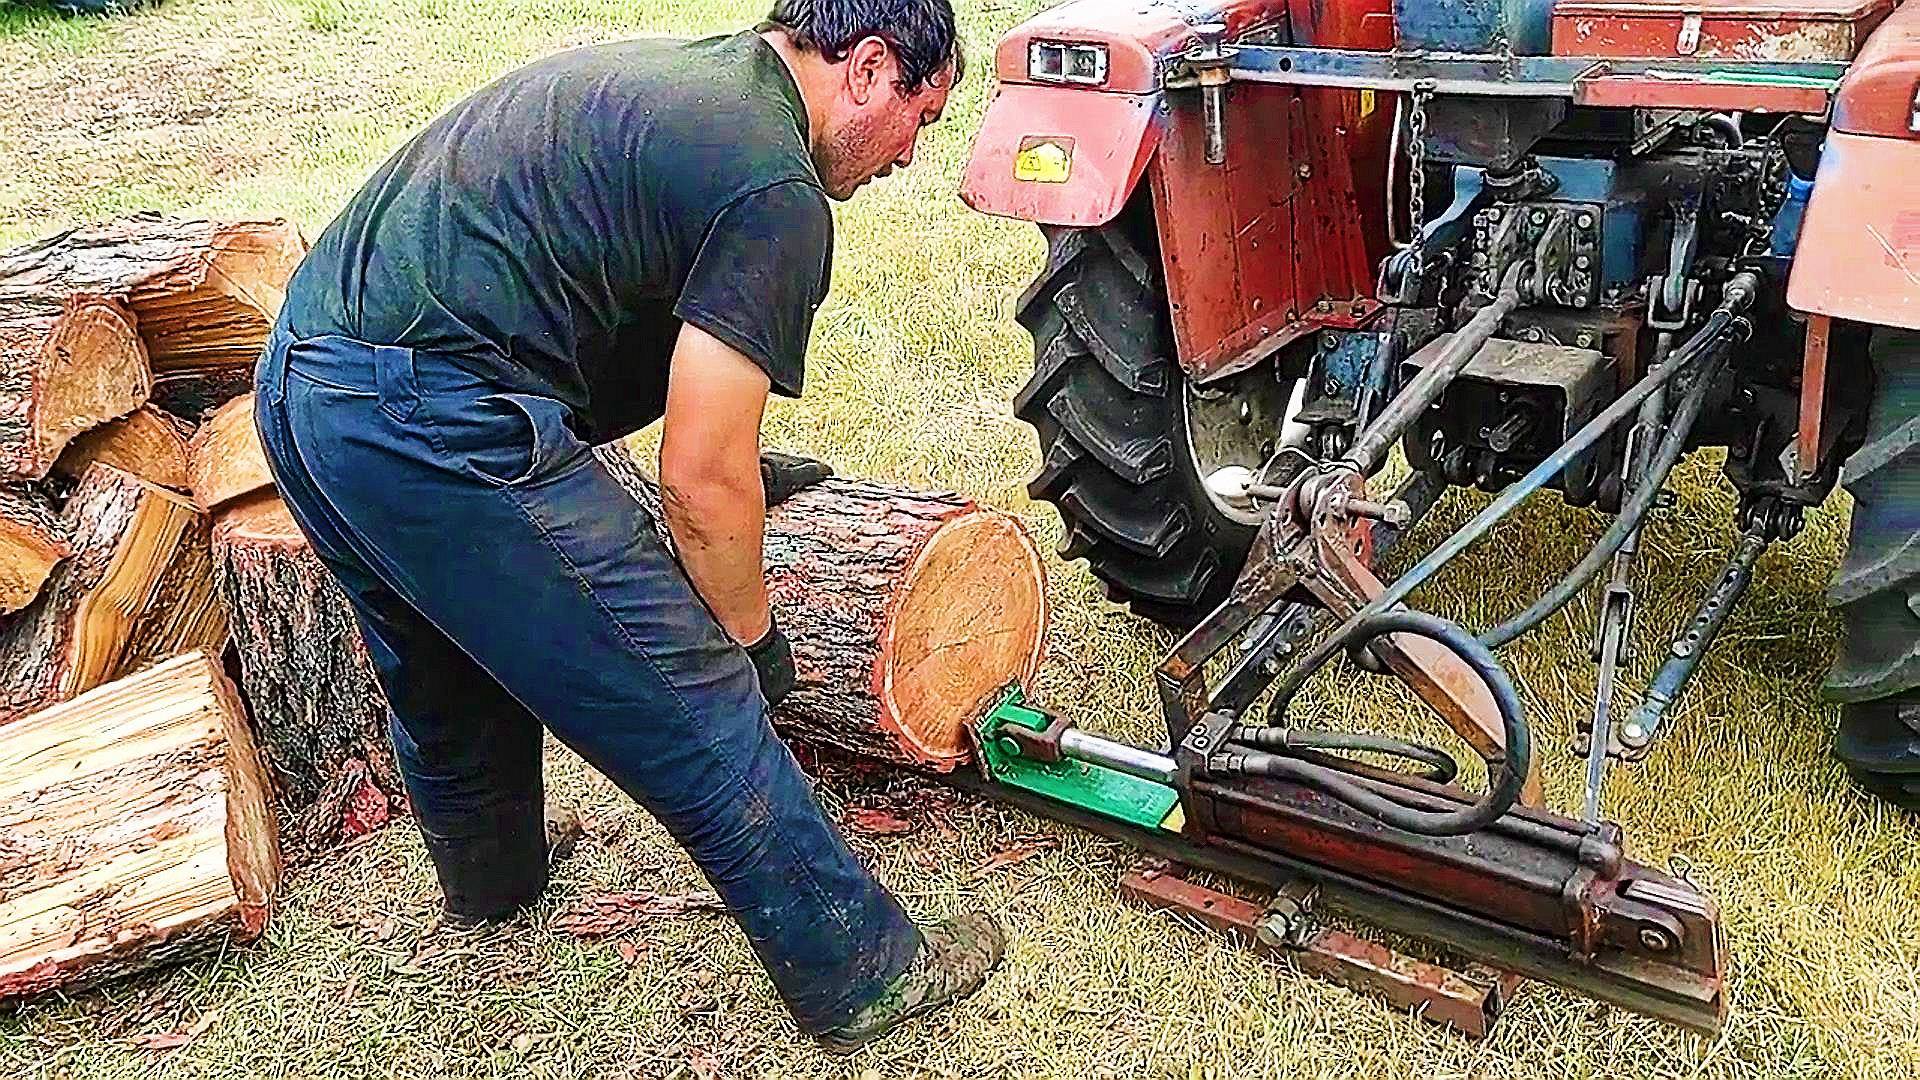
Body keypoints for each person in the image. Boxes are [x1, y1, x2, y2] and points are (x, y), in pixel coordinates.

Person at [252, 0, 1001, 1052]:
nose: (911, 156)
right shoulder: (774, 186)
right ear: (869, 68)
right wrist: (751, 641)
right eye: (923, 116)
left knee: (440, 658)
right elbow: (696, 477)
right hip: (427, 416)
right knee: (688, 687)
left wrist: (736, 473)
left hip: (304, 383)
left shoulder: (703, 92)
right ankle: (863, 970)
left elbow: (639, 319)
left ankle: (494, 884)